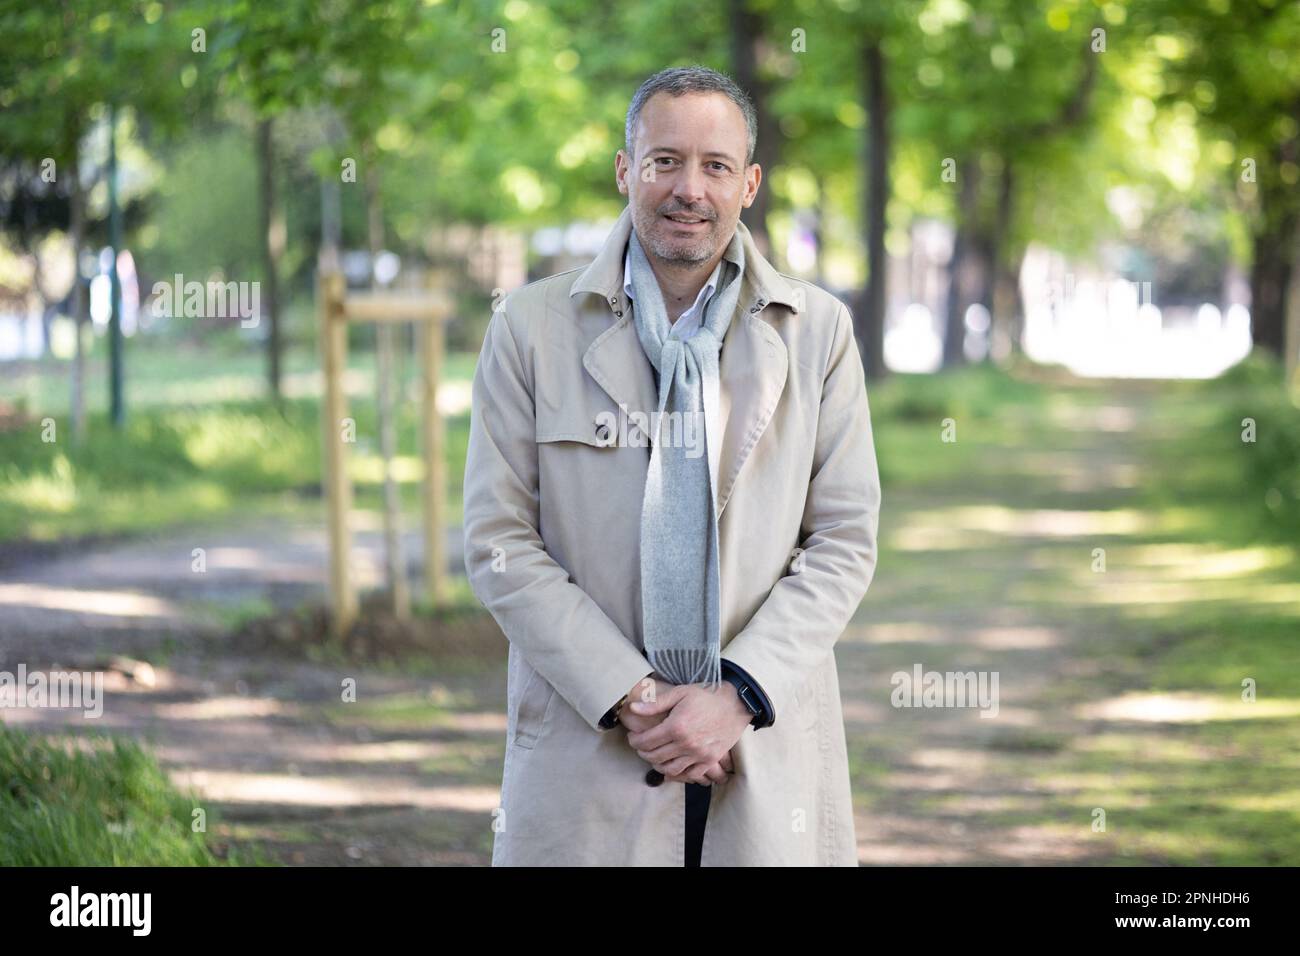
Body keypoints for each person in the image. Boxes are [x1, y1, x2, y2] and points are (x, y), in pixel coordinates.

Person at [463, 64, 882, 866]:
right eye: (664, 161)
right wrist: (637, 699)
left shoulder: (818, 333)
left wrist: (737, 697)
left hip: (763, 748)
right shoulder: (528, 328)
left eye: (716, 166)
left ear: (749, 183)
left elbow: (843, 541)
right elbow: (498, 542)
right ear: (626, 170)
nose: (689, 188)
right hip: (592, 751)